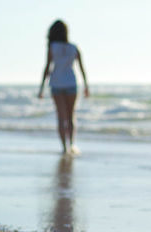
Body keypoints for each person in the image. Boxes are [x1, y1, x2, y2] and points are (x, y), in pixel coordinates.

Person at [38, 20, 89, 154]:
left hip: (56, 83)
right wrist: (86, 85)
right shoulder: (74, 47)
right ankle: (71, 144)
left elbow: (47, 67)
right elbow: (82, 68)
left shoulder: (52, 47)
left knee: (61, 117)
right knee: (71, 116)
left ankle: (64, 147)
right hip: (71, 83)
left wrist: (41, 88)